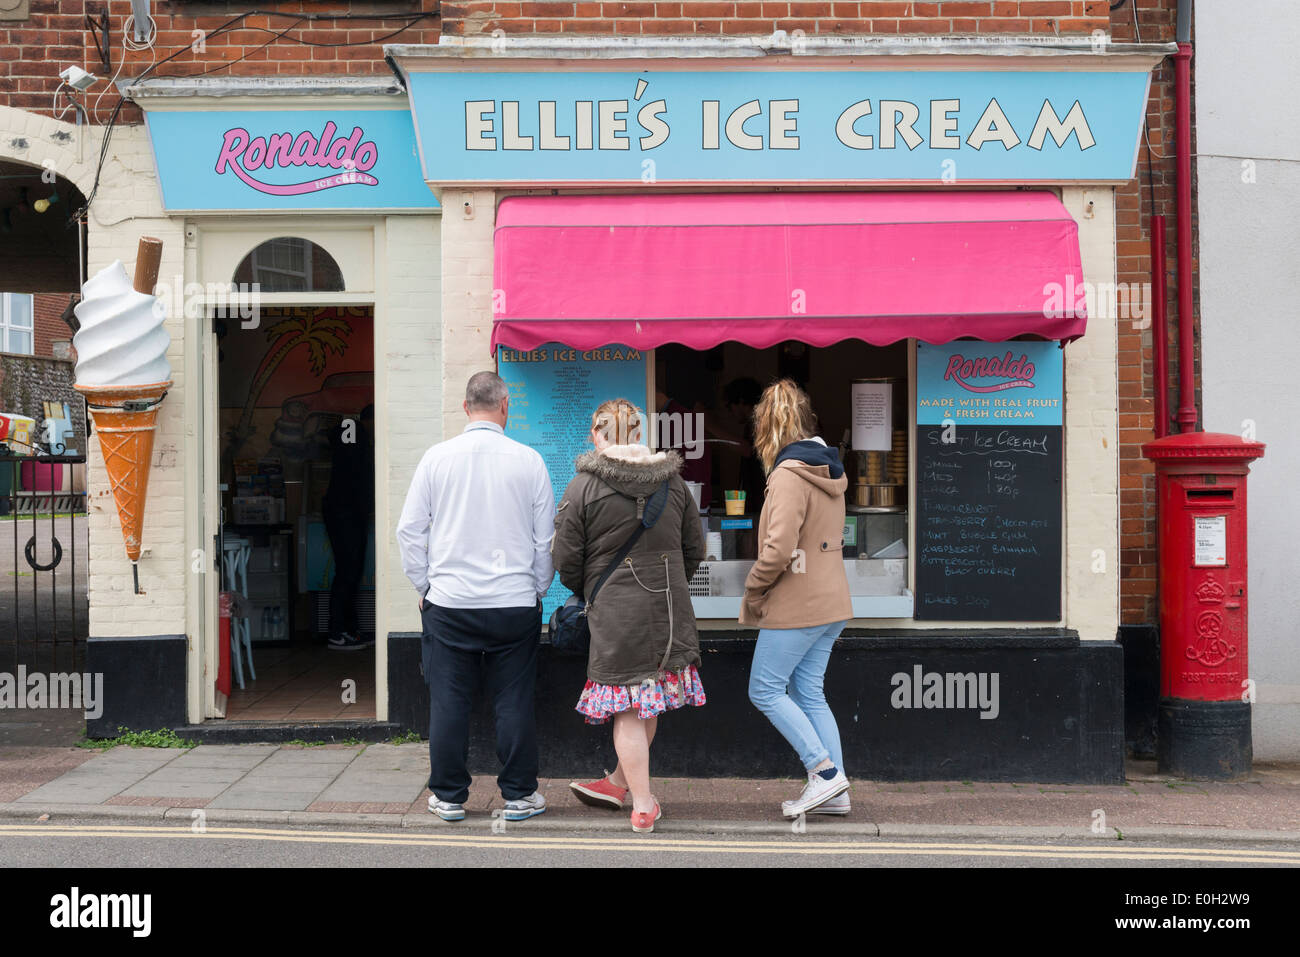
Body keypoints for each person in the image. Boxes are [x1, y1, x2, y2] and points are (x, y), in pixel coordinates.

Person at [396, 372, 555, 823]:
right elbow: (546, 541)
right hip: (513, 603)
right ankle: (520, 795)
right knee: (514, 700)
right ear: (505, 406)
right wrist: (536, 589)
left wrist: (424, 587)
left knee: (448, 699)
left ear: (465, 408)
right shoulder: (529, 461)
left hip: (450, 603)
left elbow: (409, 531)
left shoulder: (436, 458)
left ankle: (448, 797)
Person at [552, 398, 706, 833]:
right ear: (638, 434)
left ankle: (642, 805)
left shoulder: (583, 486)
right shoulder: (672, 483)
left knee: (627, 708)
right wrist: (669, 580)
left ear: (597, 435)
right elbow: (695, 549)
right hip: (668, 610)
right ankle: (619, 784)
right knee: (645, 700)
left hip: (615, 612)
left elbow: (566, 559)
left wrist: (590, 590)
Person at [740, 379, 854, 819]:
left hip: (797, 604)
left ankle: (824, 774)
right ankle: (837, 793)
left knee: (764, 690)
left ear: (768, 426)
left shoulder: (789, 474)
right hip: (831, 600)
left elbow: (778, 548)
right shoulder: (830, 470)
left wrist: (754, 588)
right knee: (809, 692)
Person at [324, 404, 374, 651]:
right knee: (347, 571)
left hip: (351, 512)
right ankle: (337, 631)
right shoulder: (354, 429)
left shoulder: (357, 435)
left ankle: (351, 630)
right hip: (344, 512)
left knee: (352, 572)